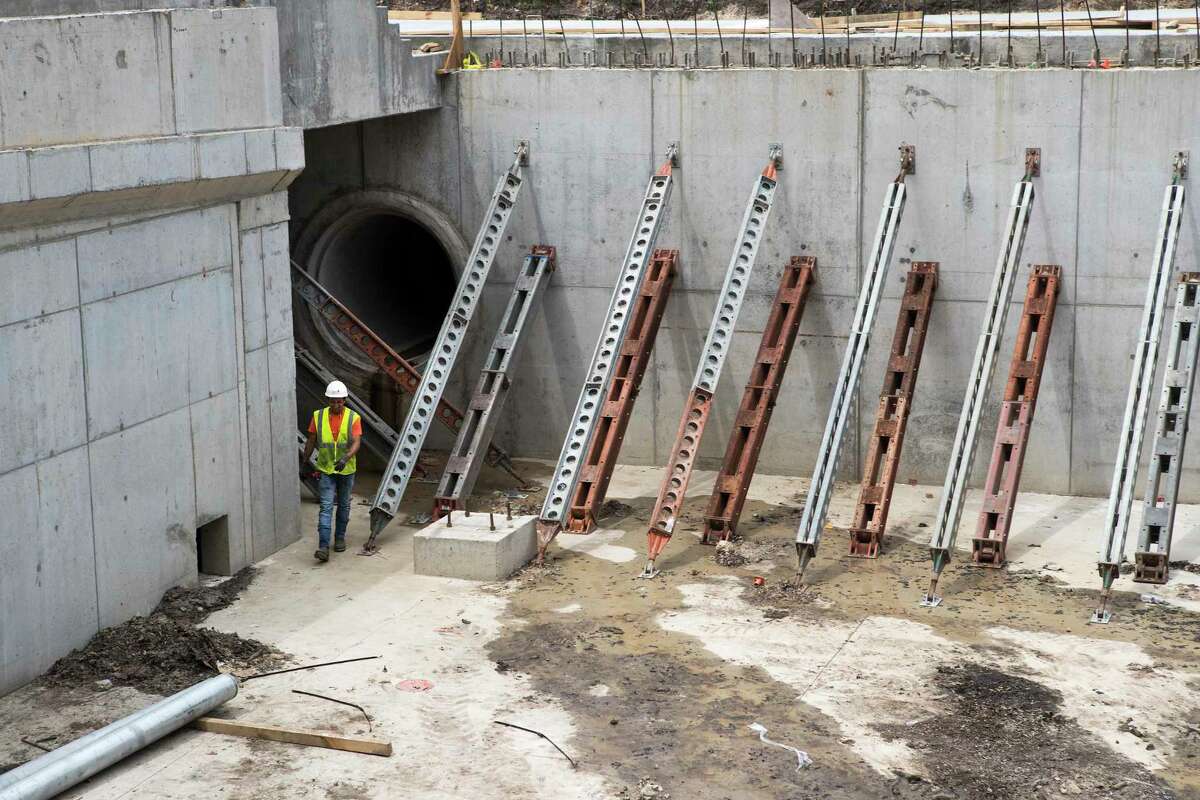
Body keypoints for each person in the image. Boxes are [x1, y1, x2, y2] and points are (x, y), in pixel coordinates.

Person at [301, 380, 362, 562]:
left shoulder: (353, 418)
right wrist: (305, 461)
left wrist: (346, 458)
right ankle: (323, 546)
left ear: (344, 400)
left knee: (343, 505)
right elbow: (311, 440)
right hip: (326, 469)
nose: (336, 404)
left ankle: (340, 538)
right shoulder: (318, 416)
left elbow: (357, 441)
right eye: (333, 401)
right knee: (326, 507)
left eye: (339, 401)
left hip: (346, 470)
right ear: (328, 400)